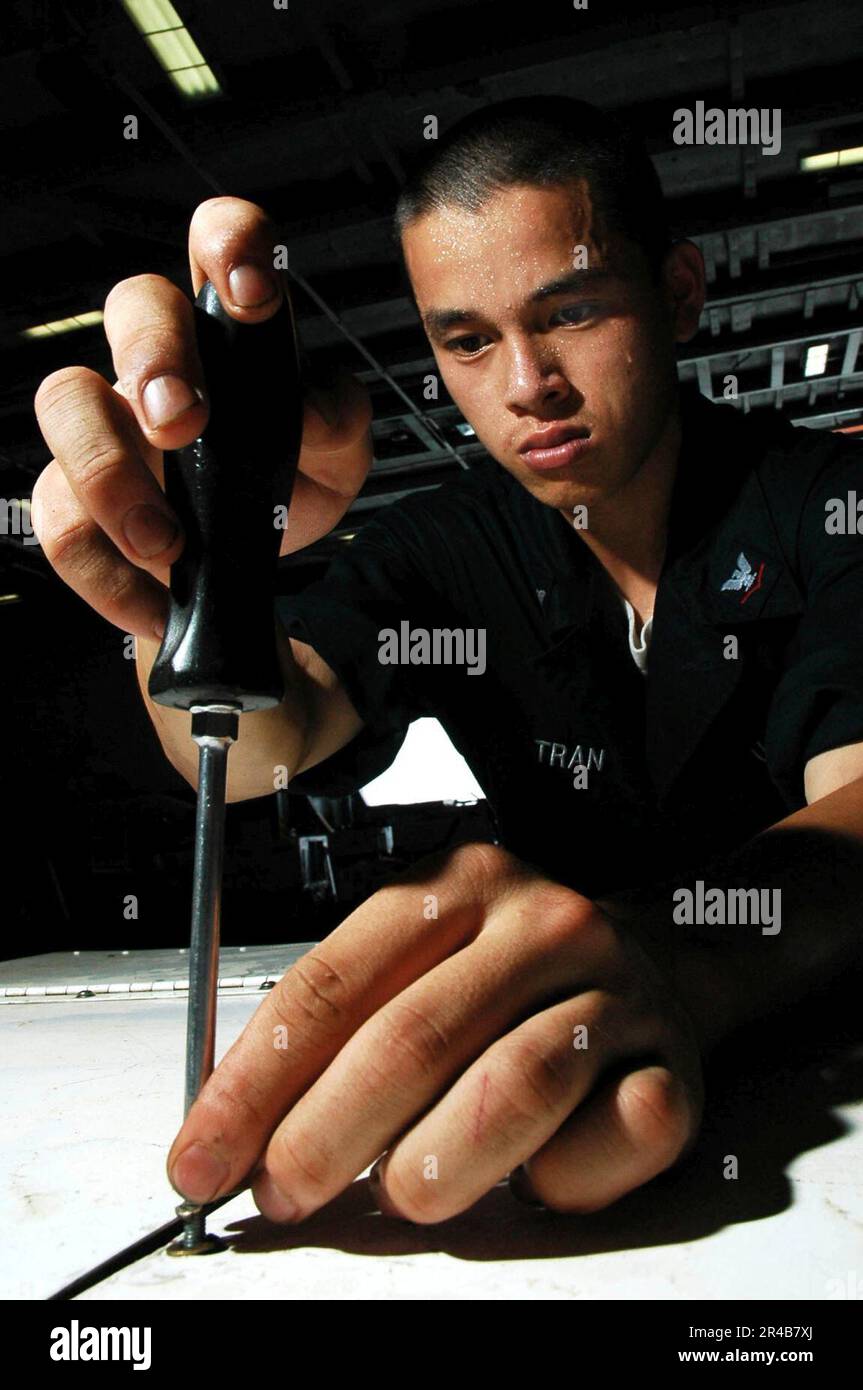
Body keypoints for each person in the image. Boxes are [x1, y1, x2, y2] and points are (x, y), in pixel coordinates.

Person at [32, 97, 863, 1226]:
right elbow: (265, 743)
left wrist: (670, 954)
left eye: (569, 313)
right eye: (465, 339)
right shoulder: (440, 544)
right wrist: (188, 574)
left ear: (676, 291)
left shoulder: (826, 501)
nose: (525, 384)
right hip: (559, 1093)